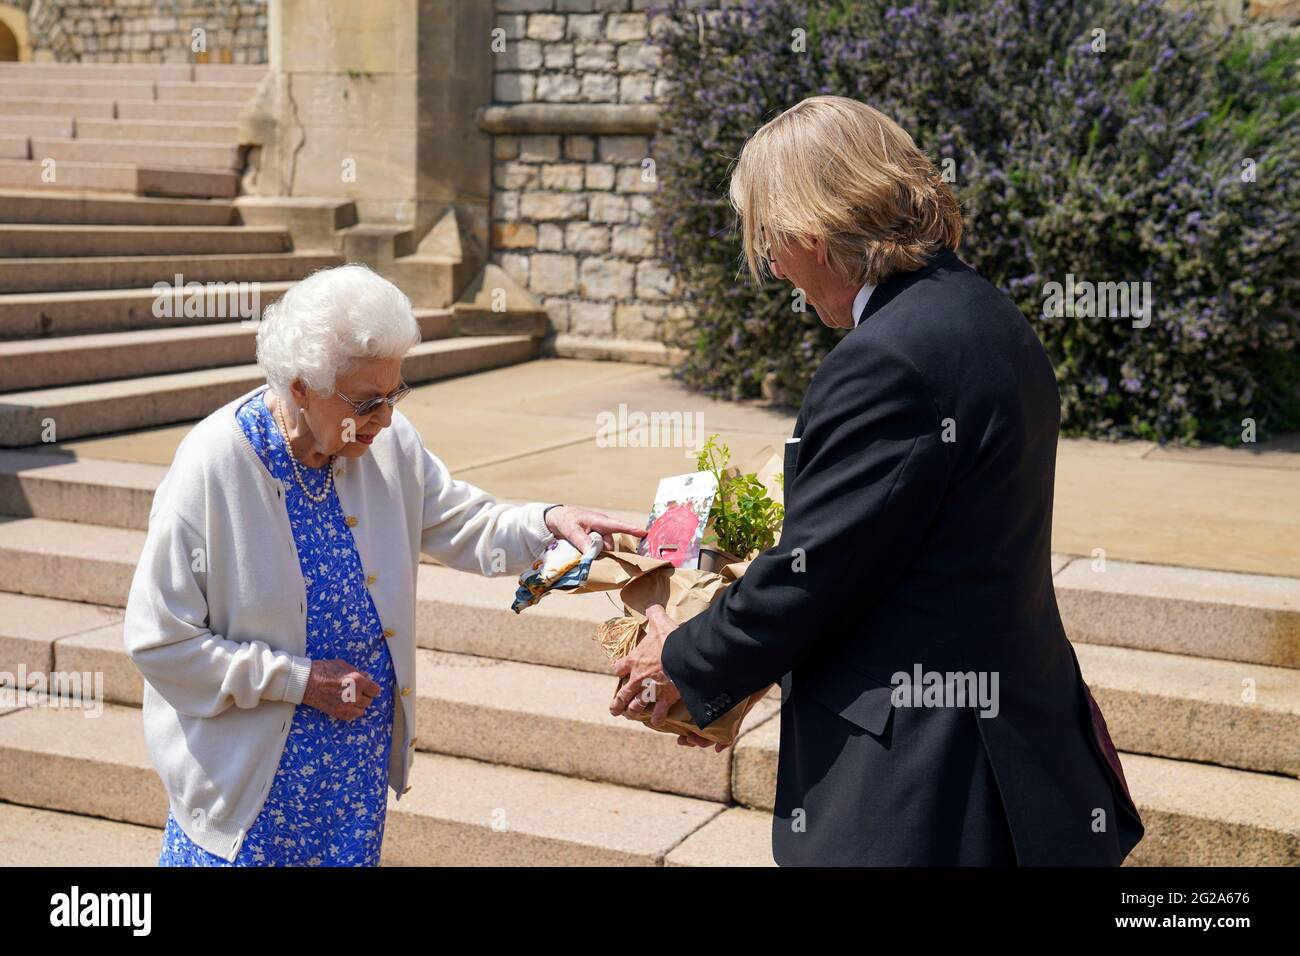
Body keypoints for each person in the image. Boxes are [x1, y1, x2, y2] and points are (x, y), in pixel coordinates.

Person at [610, 96, 1145, 866]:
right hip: (1014, 740)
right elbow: (885, 542)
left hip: (929, 781)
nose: (773, 269)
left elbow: (815, 574)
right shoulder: (986, 312)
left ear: (812, 235)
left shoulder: (884, 360)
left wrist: (684, 661)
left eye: (769, 243)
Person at [125, 263, 641, 865]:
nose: (387, 418)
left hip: (351, 776)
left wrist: (548, 521)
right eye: (368, 402)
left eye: (396, 394)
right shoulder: (214, 467)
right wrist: (299, 681)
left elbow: (464, 522)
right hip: (247, 795)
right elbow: (160, 643)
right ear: (298, 386)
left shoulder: (384, 443)